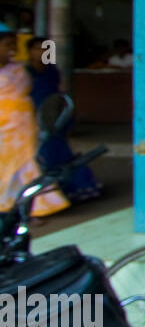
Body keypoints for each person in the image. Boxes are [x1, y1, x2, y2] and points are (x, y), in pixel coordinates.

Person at [0, 28, 69, 217]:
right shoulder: (25, 68)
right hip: (7, 123)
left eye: (14, 44)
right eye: (7, 45)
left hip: (25, 122)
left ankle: (30, 207)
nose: (12, 49)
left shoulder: (25, 69)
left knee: (24, 162)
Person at [24, 36, 102, 203]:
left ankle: (65, 190)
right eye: (37, 49)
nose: (41, 52)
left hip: (53, 115)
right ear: (30, 51)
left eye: (45, 49)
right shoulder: (24, 71)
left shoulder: (51, 70)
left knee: (58, 152)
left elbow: (57, 93)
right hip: (29, 116)